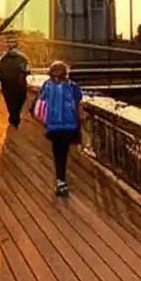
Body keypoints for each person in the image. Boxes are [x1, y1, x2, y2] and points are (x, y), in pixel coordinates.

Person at [35, 60, 83, 197]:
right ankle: (62, 180)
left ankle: (61, 181)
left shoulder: (47, 85)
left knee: (58, 153)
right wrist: (80, 122)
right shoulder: (73, 86)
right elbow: (78, 104)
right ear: (66, 73)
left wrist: (44, 120)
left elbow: (41, 103)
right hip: (69, 125)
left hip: (53, 126)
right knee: (64, 151)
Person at [0, 36, 31, 128]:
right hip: (8, 85)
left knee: (18, 102)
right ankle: (14, 119)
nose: (11, 45)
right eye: (9, 42)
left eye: (12, 42)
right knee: (10, 103)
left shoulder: (23, 58)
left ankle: (14, 117)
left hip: (19, 85)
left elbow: (28, 70)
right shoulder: (4, 57)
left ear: (16, 44)